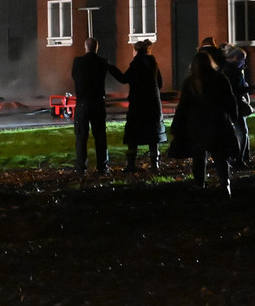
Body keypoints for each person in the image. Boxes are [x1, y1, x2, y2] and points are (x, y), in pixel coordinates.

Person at [168, 50, 239, 191]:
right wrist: (233, 116)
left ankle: (199, 184)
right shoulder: (219, 78)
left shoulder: (191, 82)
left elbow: (184, 105)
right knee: (220, 155)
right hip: (217, 121)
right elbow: (229, 99)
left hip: (196, 124)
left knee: (198, 156)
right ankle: (225, 184)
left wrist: (177, 125)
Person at [71, 37, 122, 174]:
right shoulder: (102, 62)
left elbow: (74, 76)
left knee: (81, 136)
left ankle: (81, 166)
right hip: (98, 103)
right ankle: (102, 166)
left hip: (82, 103)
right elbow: (118, 75)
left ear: (85, 47)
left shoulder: (78, 62)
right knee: (100, 136)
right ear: (97, 48)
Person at [115, 39, 166, 173]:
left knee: (134, 133)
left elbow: (123, 78)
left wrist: (110, 68)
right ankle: (155, 165)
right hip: (153, 104)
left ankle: (131, 164)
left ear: (136, 51)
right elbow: (160, 83)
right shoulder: (153, 64)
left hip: (138, 104)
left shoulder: (136, 64)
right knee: (153, 134)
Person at [221, 45, 253, 167]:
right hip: (236, 104)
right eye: (243, 59)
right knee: (242, 132)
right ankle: (239, 158)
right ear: (236, 58)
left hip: (225, 104)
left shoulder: (222, 68)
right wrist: (249, 89)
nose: (244, 62)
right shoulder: (235, 71)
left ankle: (230, 158)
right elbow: (237, 89)